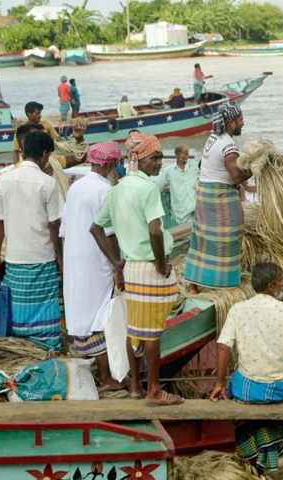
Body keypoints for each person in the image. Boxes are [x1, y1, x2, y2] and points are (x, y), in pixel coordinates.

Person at [91, 133, 182, 406]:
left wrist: (118, 262)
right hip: (150, 266)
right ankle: (154, 391)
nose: (159, 162)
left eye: (160, 156)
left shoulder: (118, 188)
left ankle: (135, 385)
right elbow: (155, 230)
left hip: (131, 267)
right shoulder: (148, 189)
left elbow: (96, 228)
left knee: (136, 330)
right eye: (155, 157)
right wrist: (162, 264)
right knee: (152, 331)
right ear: (139, 159)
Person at [210, 262, 283, 479]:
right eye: (281, 280)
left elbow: (223, 346)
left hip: (247, 391)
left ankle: (254, 472)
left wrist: (220, 383)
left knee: (244, 417)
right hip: (278, 391)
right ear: (271, 286)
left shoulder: (237, 309)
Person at [60, 141, 126, 390]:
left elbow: (65, 229)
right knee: (102, 315)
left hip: (76, 256)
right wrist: (118, 265)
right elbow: (108, 232)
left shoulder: (77, 186)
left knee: (84, 311)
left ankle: (99, 370)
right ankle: (107, 377)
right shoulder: (105, 190)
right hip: (98, 259)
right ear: (110, 164)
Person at [0, 131, 64, 351]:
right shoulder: (47, 183)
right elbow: (54, 225)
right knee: (44, 307)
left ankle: (20, 347)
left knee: (16, 308)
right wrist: (60, 257)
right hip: (42, 258)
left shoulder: (3, 180)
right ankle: (46, 348)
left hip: (15, 258)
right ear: (44, 154)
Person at [185, 102, 251, 291]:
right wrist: (255, 169)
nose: (243, 123)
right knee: (229, 236)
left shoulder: (213, 137)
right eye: (240, 120)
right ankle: (224, 284)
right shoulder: (228, 145)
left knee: (202, 237)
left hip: (204, 194)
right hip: (221, 196)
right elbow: (237, 176)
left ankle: (193, 285)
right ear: (230, 123)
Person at [154, 144, 199, 227]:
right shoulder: (169, 171)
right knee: (188, 235)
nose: (187, 156)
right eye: (185, 154)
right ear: (178, 156)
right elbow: (157, 186)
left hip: (195, 206)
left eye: (188, 153)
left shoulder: (194, 166)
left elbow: (205, 175)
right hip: (181, 210)